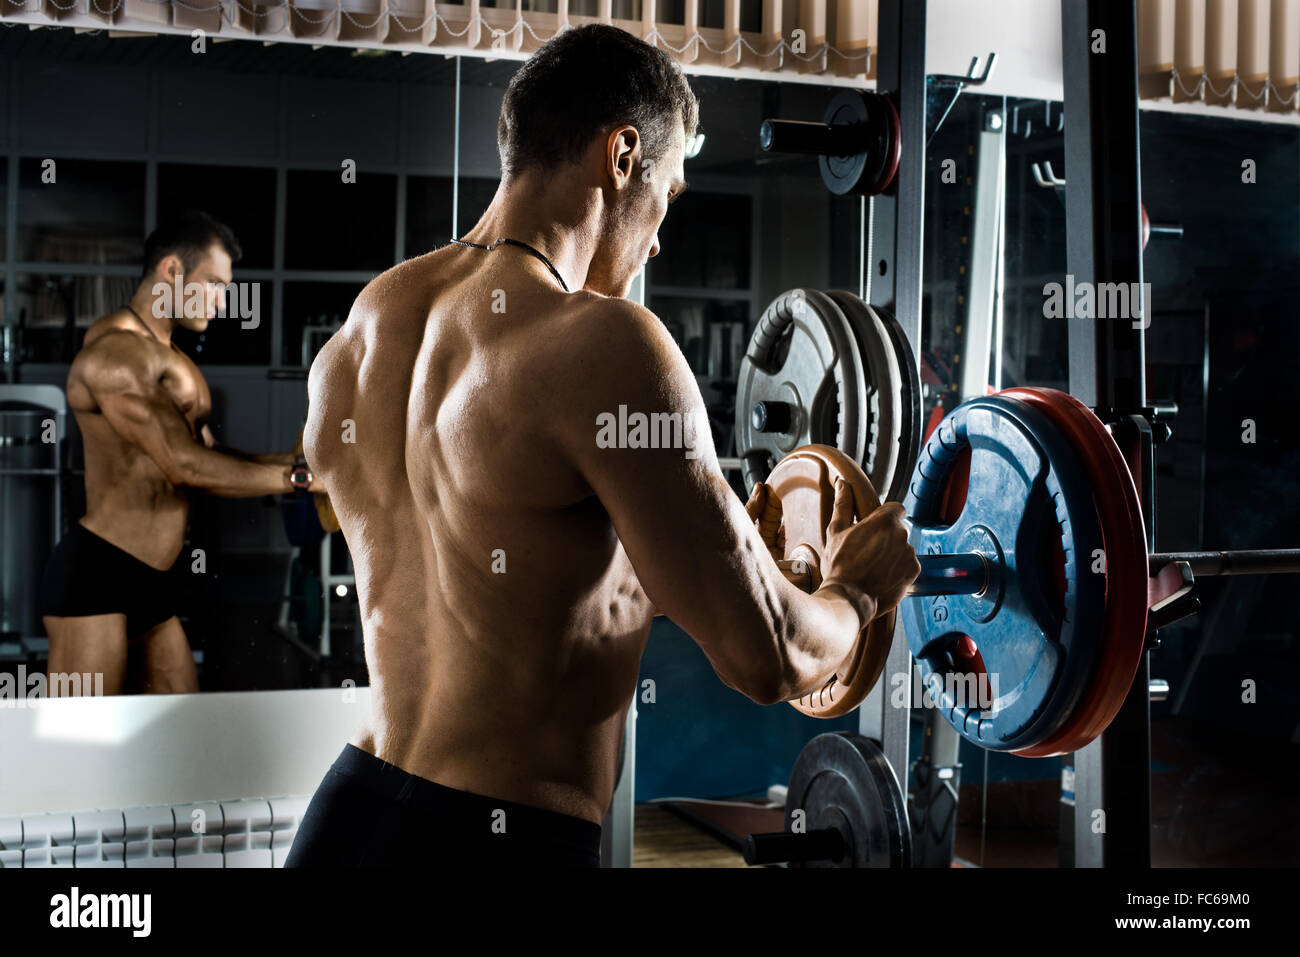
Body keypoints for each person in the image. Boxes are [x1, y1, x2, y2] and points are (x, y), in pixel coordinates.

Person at [287, 25, 919, 868]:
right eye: (671, 191)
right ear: (622, 156)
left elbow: (492, 562)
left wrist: (699, 546)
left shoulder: (361, 338)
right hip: (499, 845)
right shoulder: (607, 344)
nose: (660, 237)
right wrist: (859, 591)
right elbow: (769, 655)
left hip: (348, 820)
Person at [40, 210, 321, 695]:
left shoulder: (172, 358)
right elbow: (183, 465)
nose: (224, 299)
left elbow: (210, 454)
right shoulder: (116, 354)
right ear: (172, 270)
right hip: (100, 574)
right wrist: (297, 480)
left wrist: (301, 466)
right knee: (78, 750)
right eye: (213, 282)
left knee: (180, 738)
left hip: (155, 578)